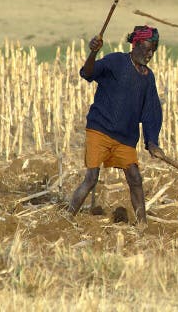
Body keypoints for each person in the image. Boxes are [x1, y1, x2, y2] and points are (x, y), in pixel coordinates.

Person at [68, 25, 164, 225]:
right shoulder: (115, 61)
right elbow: (87, 72)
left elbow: (151, 111)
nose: (149, 54)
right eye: (146, 49)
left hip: (125, 139)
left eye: (153, 51)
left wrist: (152, 142)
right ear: (135, 45)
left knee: (135, 179)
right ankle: (66, 218)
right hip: (100, 129)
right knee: (91, 178)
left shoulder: (148, 77)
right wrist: (93, 52)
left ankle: (143, 225)